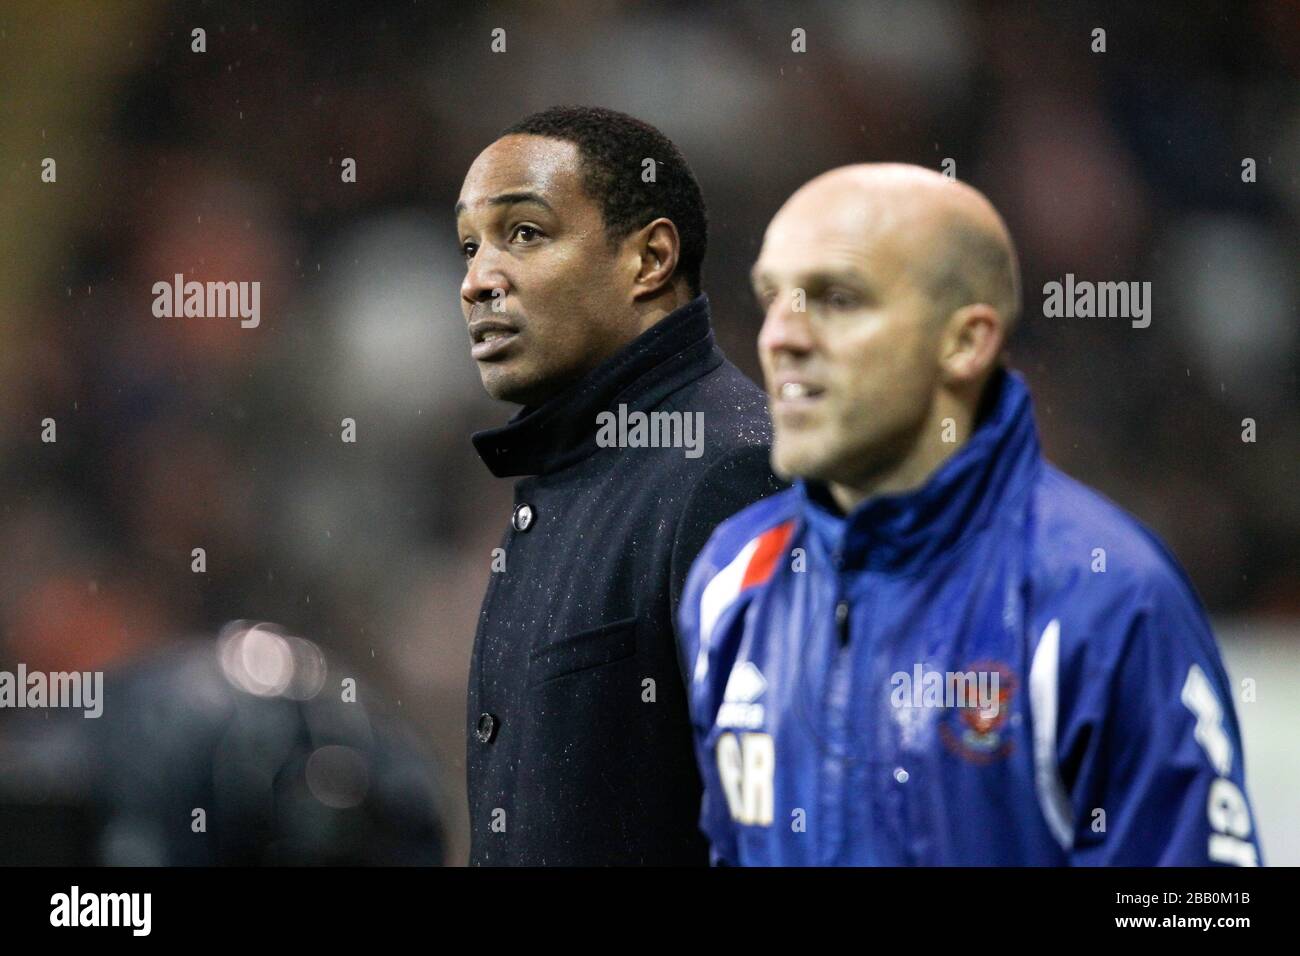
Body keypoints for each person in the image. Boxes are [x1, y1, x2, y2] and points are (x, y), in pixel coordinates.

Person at [677, 163, 1262, 866]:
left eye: (837, 298)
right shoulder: (732, 581)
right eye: (774, 297)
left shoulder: (1103, 599)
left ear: (965, 342)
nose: (780, 337)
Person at [455, 106, 782, 865]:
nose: (477, 281)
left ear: (649, 259)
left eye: (524, 234)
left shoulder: (736, 471)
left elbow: (785, 823)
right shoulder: (575, 476)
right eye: (468, 247)